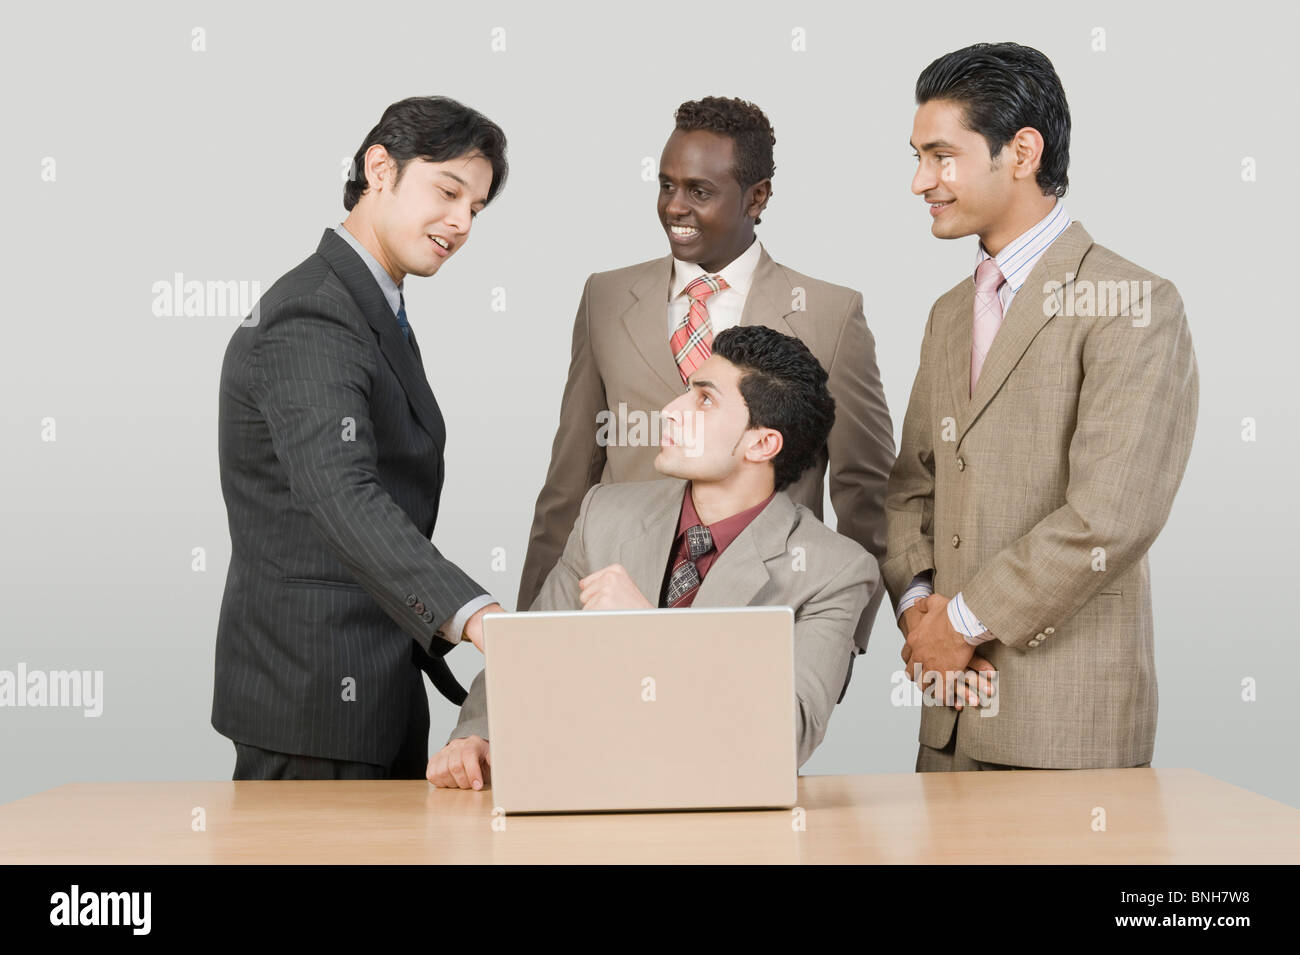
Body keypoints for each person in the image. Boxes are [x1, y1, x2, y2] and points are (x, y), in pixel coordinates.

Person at [887, 43, 1199, 771]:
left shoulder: (1135, 303)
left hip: (1064, 728)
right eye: (917, 157)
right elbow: (909, 488)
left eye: (941, 156)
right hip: (948, 717)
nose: (919, 181)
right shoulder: (947, 314)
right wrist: (921, 616)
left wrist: (962, 622)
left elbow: (1111, 515)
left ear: (1022, 150)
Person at [517, 96, 894, 678]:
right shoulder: (605, 295)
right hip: (610, 602)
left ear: (757, 196)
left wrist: (840, 644)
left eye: (699, 191)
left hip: (759, 607)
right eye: (665, 186)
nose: (675, 207)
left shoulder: (829, 313)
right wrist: (532, 639)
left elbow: (865, 489)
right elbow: (570, 476)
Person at [429, 325, 881, 788]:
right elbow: (533, 654)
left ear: (762, 443)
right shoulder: (604, 513)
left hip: (728, 816)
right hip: (582, 801)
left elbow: (788, 738)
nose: (670, 411)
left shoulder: (834, 570)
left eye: (704, 401)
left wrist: (653, 632)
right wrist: (479, 733)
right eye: (687, 392)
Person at [213, 96, 509, 780]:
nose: (462, 222)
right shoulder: (314, 310)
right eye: (448, 190)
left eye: (478, 208)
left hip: (370, 688)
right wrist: (478, 617)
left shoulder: (370, 303)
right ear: (380, 169)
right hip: (313, 699)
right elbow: (343, 492)